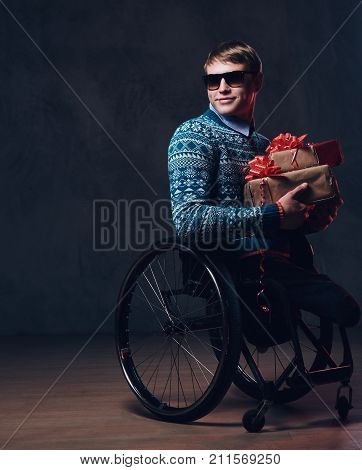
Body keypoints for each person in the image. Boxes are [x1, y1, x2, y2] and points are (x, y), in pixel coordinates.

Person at [168, 40, 360, 328]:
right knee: (331, 301)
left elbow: (282, 218)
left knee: (320, 288)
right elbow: (188, 221)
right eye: (212, 80)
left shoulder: (264, 145)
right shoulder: (192, 136)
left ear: (256, 81)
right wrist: (276, 215)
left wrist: (310, 216)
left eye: (233, 77)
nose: (221, 88)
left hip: (274, 253)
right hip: (225, 258)